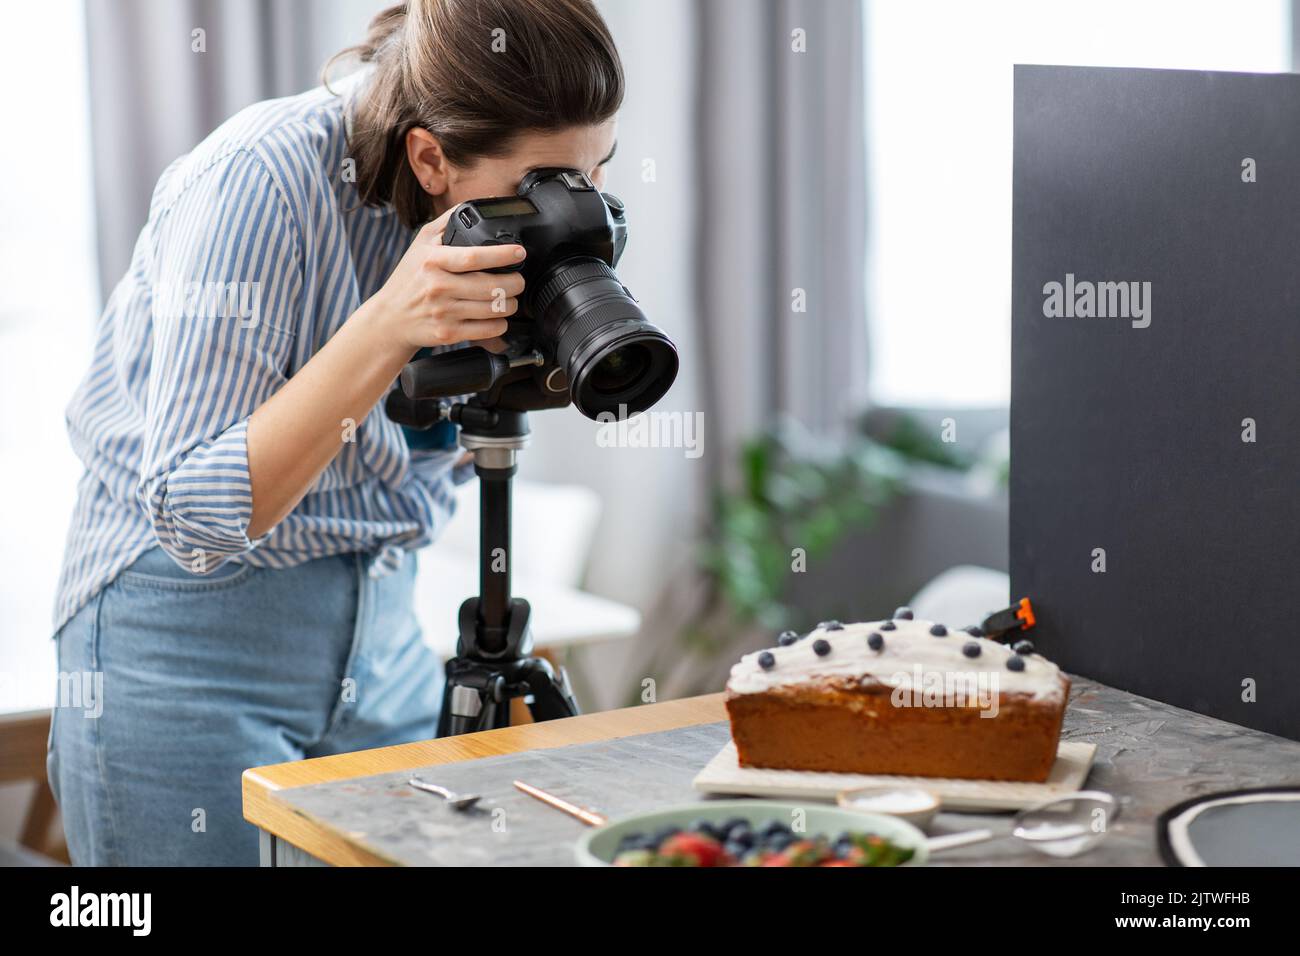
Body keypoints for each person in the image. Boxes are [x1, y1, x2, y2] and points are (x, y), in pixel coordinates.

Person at [48, 0, 623, 866]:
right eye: (538, 192)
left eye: (592, 180)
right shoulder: (258, 180)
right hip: (188, 641)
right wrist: (388, 323)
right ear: (429, 157)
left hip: (387, 625)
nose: (566, 218)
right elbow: (195, 515)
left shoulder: (493, 213)